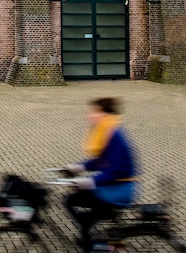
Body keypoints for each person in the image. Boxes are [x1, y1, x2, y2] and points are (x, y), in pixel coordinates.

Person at [64, 96, 139, 253]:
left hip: (119, 189)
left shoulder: (114, 134)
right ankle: (90, 230)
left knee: (72, 201)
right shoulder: (107, 131)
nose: (89, 116)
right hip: (112, 186)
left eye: (93, 112)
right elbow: (100, 161)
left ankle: (94, 244)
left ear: (103, 114)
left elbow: (115, 170)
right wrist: (77, 167)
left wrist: (88, 182)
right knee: (74, 201)